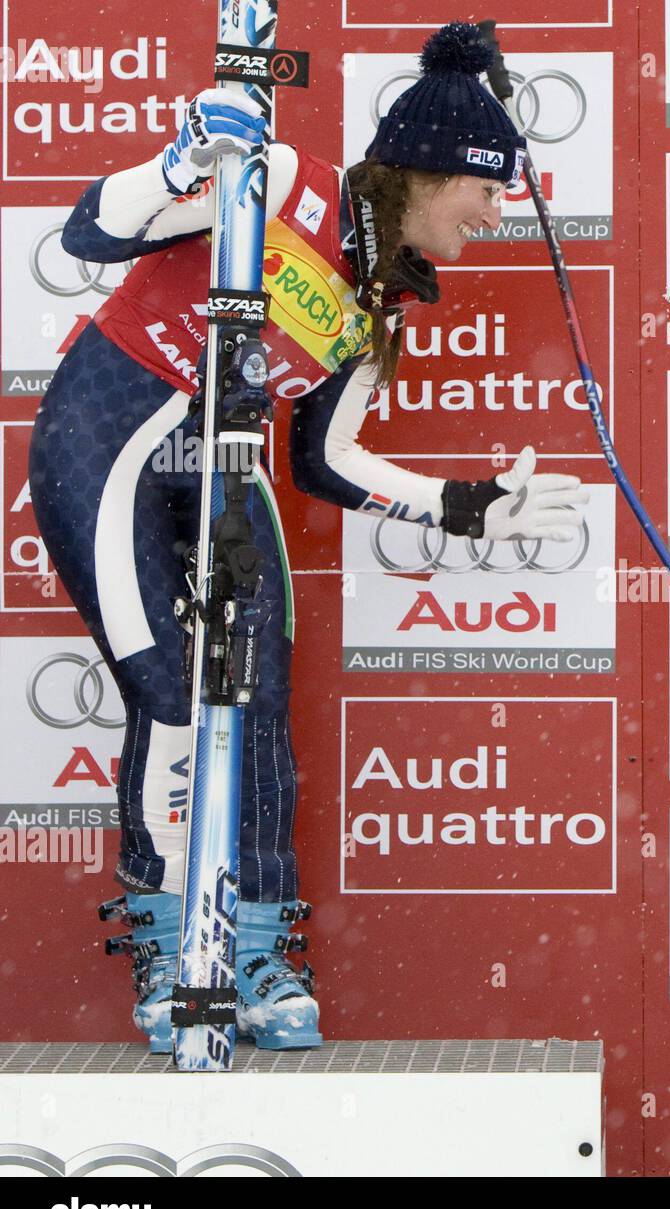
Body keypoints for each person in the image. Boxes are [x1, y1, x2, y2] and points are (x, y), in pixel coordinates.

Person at [29, 22, 589, 1052]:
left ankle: (257, 945)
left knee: (257, 697)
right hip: (104, 436)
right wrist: (181, 163)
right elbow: (88, 234)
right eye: (490, 188)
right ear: (435, 170)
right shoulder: (281, 182)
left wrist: (462, 506)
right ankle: (168, 941)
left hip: (223, 473)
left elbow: (322, 459)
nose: (497, 213)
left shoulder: (379, 306)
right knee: (167, 689)